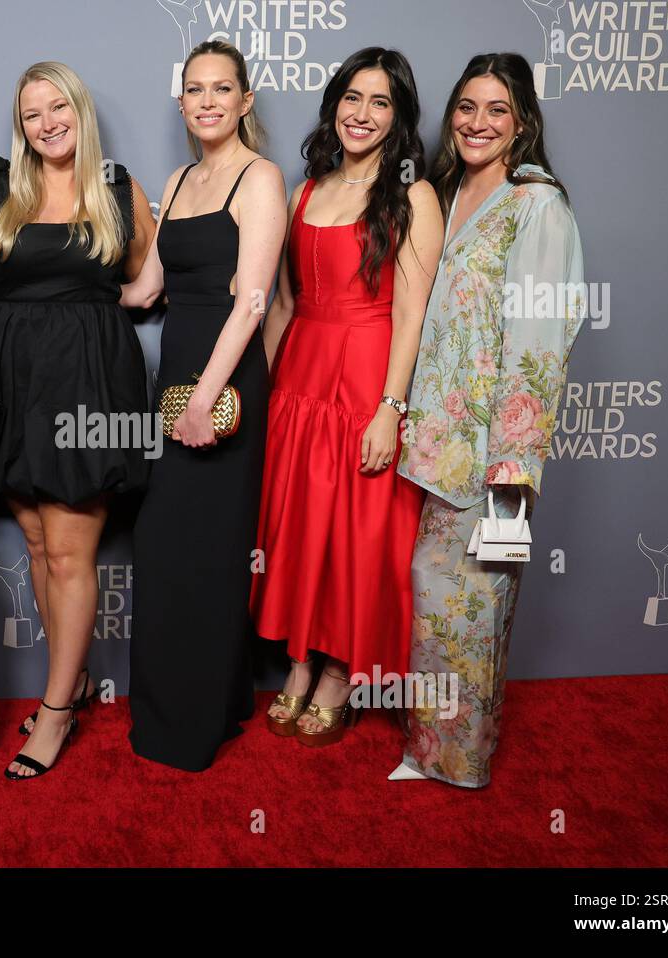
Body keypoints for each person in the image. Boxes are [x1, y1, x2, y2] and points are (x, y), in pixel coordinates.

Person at [392, 52, 585, 788]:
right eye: (466, 108)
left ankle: (458, 763)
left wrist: (513, 469)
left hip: (487, 455)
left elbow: (539, 345)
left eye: (496, 110)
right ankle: (428, 749)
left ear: (523, 121)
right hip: (435, 443)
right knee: (442, 604)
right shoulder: (449, 188)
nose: (477, 122)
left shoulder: (536, 204)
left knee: (470, 607)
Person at [0, 61, 155, 780]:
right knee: (41, 547)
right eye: (32, 113)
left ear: (79, 110)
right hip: (9, 383)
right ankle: (67, 682)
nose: (47, 124)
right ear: (21, 124)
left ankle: (54, 712)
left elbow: (150, 271)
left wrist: (97, 314)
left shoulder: (114, 186)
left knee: (73, 552)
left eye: (58, 108)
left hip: (90, 385)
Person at [251, 48, 441, 746]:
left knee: (355, 534)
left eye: (381, 102)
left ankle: (338, 676)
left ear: (399, 117)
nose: (362, 113)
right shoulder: (305, 191)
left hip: (365, 381)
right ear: (335, 104)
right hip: (301, 378)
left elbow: (412, 312)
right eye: (353, 98)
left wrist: (391, 409)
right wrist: (261, 392)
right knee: (301, 529)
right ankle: (298, 666)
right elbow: (282, 305)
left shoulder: (413, 194)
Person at [121, 40, 286, 772]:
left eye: (223, 88)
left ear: (246, 100)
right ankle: (186, 706)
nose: (208, 100)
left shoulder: (262, 178)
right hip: (174, 384)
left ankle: (200, 723)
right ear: (182, 102)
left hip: (226, 385)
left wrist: (206, 401)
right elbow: (146, 290)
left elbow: (253, 303)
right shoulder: (180, 176)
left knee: (214, 555)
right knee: (163, 550)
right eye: (195, 89)